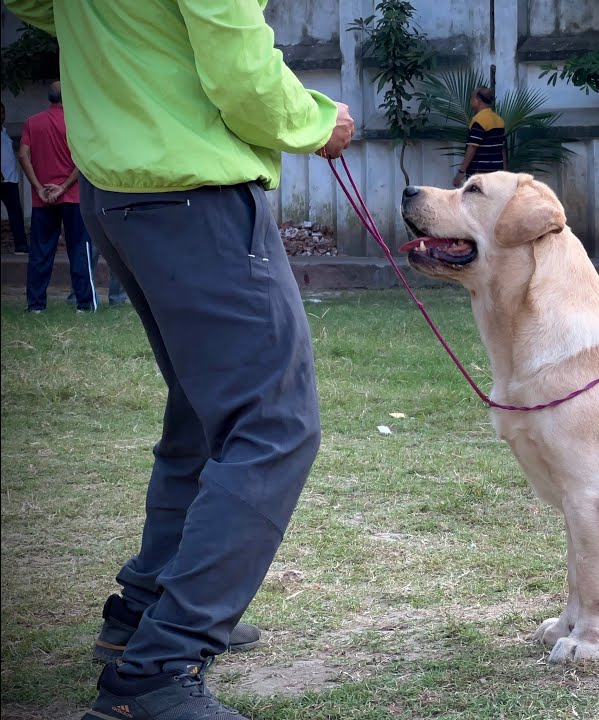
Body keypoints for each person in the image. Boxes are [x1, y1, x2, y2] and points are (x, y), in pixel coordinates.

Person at [6, 2, 353, 719]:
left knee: (202, 415)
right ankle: (157, 670)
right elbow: (244, 78)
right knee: (274, 426)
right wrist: (320, 121)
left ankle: (142, 613)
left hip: (119, 194)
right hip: (193, 192)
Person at [18, 81, 96, 312]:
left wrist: (39, 187)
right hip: (72, 196)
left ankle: (36, 305)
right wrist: (63, 187)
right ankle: (84, 304)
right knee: (79, 249)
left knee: (40, 251)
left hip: (43, 197)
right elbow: (83, 159)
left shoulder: (33, 122)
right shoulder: (76, 122)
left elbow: (23, 154)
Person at [453, 86, 505, 187]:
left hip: (479, 174)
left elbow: (472, 147)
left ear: (478, 100)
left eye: (472, 98)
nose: (471, 101)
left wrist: (461, 172)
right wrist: (505, 173)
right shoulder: (499, 120)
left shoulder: (479, 121)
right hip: (496, 174)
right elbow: (502, 149)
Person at [1, 103, 29, 255]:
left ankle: (21, 246)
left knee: (16, 215)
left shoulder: (4, 133)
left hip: (10, 181)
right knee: (15, 214)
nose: (2, 116)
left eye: (3, 112)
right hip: (2, 181)